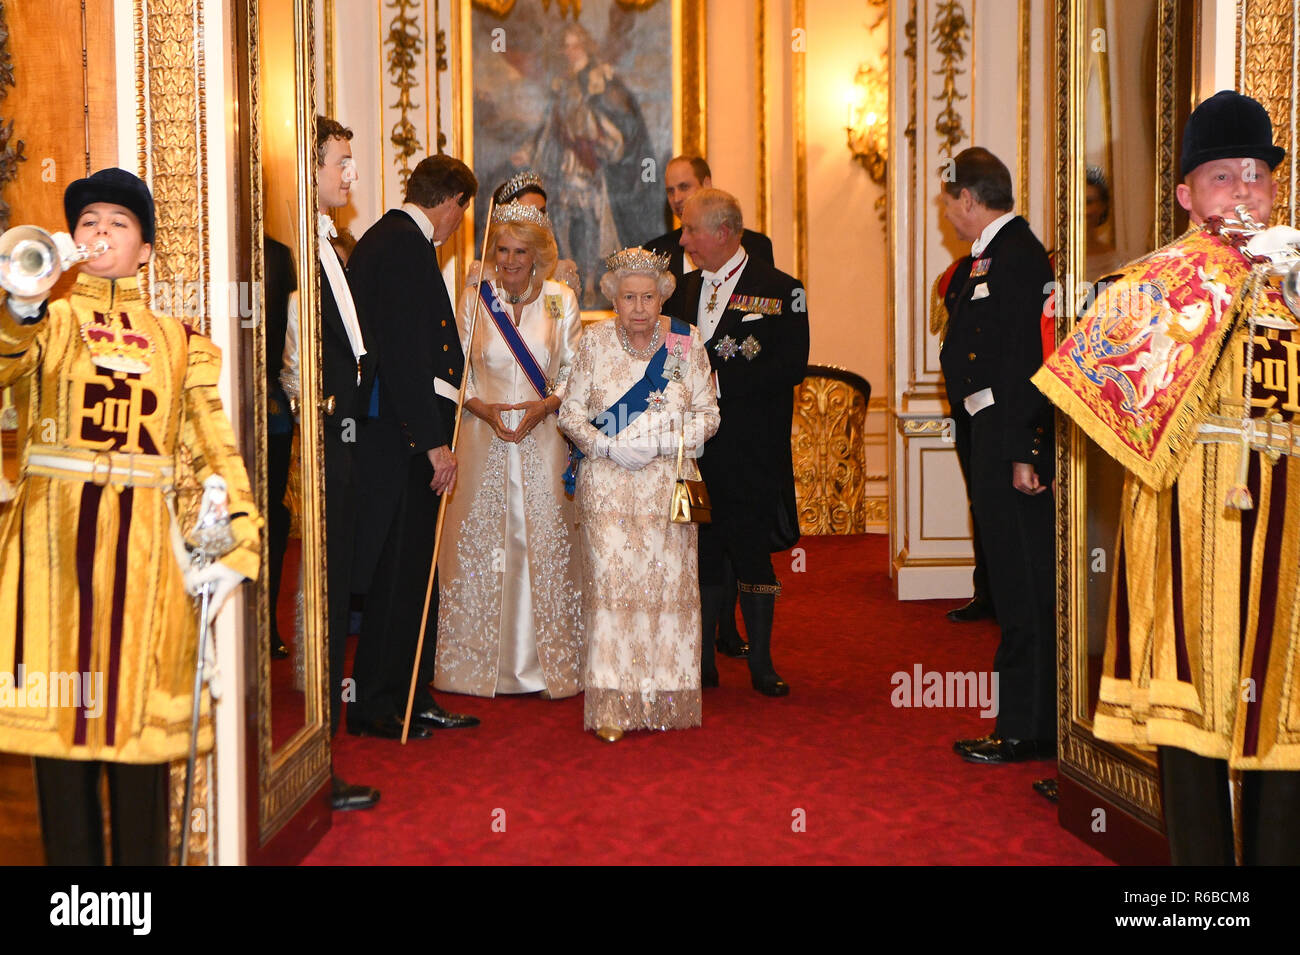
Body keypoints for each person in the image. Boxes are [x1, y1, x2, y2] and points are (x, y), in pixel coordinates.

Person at [1034, 90, 1300, 864]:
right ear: (1187, 194)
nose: (1245, 190)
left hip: (1287, 549)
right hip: (1195, 537)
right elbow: (1096, 403)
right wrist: (1211, 290)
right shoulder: (1155, 282)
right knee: (1192, 734)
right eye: (1224, 177)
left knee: (1284, 723)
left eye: (1258, 175)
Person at [0, 168, 259, 864]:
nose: (101, 233)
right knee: (59, 744)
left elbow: (210, 444)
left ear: (146, 247)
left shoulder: (180, 343)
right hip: (51, 564)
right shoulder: (42, 324)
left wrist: (230, 538)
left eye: (118, 222)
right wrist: (22, 301)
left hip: (145, 565)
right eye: (88, 223)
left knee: (142, 739)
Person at [558, 247, 719, 741]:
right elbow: (569, 414)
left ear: (663, 295)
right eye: (628, 298)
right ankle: (613, 704)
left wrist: (669, 442)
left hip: (668, 485)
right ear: (613, 300)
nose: (640, 309)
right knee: (613, 592)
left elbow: (709, 414)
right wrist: (606, 445)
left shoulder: (684, 345)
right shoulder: (593, 343)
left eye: (648, 297)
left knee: (667, 592)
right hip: (608, 487)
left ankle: (666, 698)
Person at [345, 155, 481, 739]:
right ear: (451, 200)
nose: (457, 223)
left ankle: (407, 694)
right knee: (401, 576)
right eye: (461, 211)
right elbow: (401, 357)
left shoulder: (394, 238)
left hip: (402, 437)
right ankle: (383, 705)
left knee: (410, 573)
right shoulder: (403, 244)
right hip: (402, 444)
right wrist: (431, 444)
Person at [434, 200, 584, 698]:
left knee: (541, 546)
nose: (510, 260)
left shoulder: (561, 300)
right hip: (483, 438)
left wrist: (547, 407)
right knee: (481, 547)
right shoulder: (475, 299)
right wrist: (481, 408)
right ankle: (474, 666)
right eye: (502, 249)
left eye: (521, 251)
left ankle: (547, 668)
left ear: (539, 255)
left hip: (544, 440)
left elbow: (572, 372)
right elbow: (457, 372)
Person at [940, 148, 1056, 764]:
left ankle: (1025, 728)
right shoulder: (990, 256)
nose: (947, 211)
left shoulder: (1015, 256)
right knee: (1014, 584)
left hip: (1011, 449)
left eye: (948, 199)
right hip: (989, 442)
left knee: (1022, 586)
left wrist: (1023, 451)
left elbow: (1026, 364)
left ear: (968, 198)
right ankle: (1028, 722)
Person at [281, 116, 380, 809]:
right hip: (323, 440)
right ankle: (314, 764)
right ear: (308, 167)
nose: (350, 175)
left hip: (345, 440)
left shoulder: (327, 244)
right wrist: (321, 418)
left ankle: (325, 755)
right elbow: (294, 359)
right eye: (341, 163)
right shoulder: (293, 250)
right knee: (323, 592)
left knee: (337, 584)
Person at [677, 188, 809, 696]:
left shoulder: (781, 289)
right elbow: (671, 358)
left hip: (751, 450)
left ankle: (762, 664)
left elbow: (789, 366)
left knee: (752, 553)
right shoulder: (682, 291)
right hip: (694, 453)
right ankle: (704, 662)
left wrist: (714, 385)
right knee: (701, 549)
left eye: (691, 230)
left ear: (723, 232)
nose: (683, 239)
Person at [526, 22, 660, 306]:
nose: (570, 51)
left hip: (590, 164)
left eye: (575, 44)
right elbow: (550, 125)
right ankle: (565, 279)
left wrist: (597, 128)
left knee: (590, 223)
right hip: (566, 165)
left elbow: (619, 116)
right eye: (566, 46)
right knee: (560, 221)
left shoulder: (601, 78)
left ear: (585, 45)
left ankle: (587, 283)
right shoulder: (562, 83)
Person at [929, 256, 996, 625]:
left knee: (1006, 506)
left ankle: (1010, 594)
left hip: (1004, 404)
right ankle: (985, 592)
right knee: (980, 502)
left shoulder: (1018, 261)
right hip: (966, 408)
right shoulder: (959, 272)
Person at [647, 155, 774, 326]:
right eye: (670, 191)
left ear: (706, 184)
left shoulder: (756, 245)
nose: (676, 198)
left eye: (684, 187)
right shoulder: (656, 251)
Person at [466, 171, 581, 297]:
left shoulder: (561, 273)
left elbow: (562, 315)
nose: (537, 222)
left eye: (541, 212)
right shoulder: (483, 277)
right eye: (527, 213)